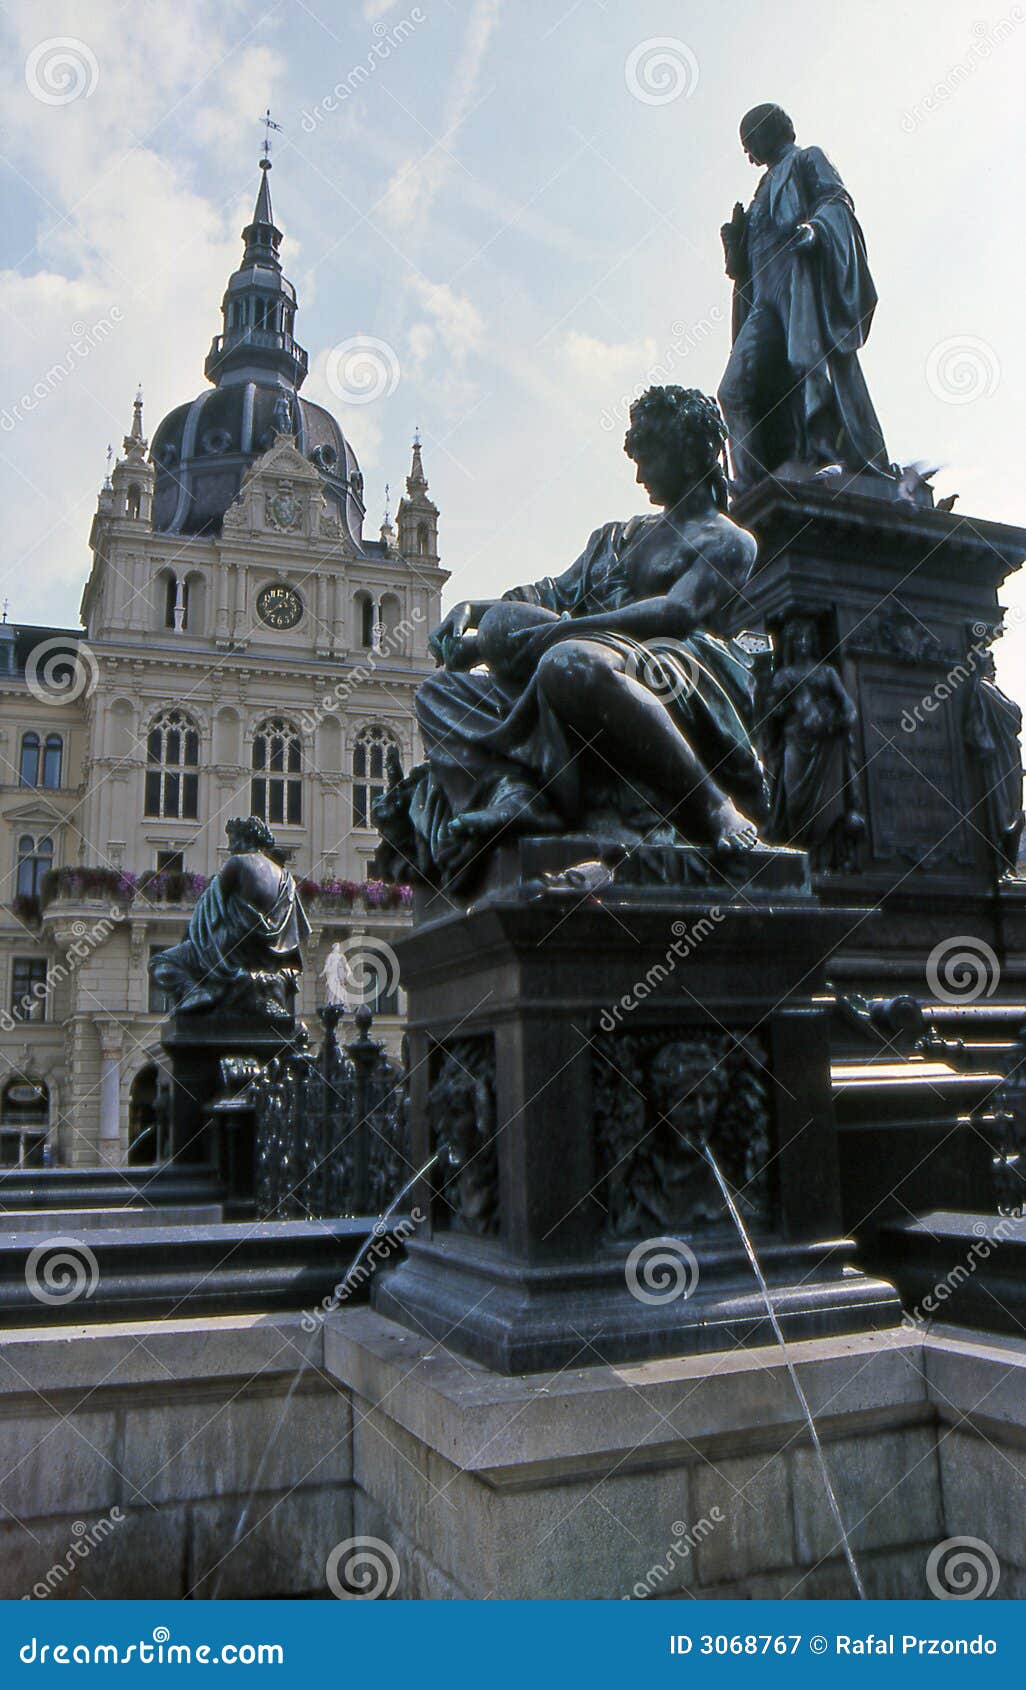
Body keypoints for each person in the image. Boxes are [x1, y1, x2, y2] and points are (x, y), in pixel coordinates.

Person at [375, 386, 770, 889]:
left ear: (691, 452)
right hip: (577, 659)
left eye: (648, 455)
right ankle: (516, 794)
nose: (638, 474)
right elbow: (551, 592)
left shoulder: (730, 540)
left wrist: (551, 635)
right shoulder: (618, 536)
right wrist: (474, 610)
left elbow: (676, 611)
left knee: (567, 663)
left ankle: (714, 807)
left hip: (671, 668)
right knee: (438, 692)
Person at [718, 103, 889, 490]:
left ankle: (826, 457)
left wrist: (815, 230)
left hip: (800, 283)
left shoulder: (808, 159)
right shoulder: (760, 190)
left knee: (808, 368)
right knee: (733, 390)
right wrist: (735, 247)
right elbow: (744, 266)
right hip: (764, 298)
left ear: (775, 128)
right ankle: (750, 490)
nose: (749, 154)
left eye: (751, 140)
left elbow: (837, 201)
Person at [149, 816, 310, 1019]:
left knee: (161, 961)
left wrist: (192, 939)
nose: (230, 847)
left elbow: (212, 907)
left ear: (246, 839)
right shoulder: (286, 877)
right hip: (266, 955)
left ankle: (195, 992)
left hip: (228, 947)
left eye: (233, 840)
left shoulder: (237, 863)